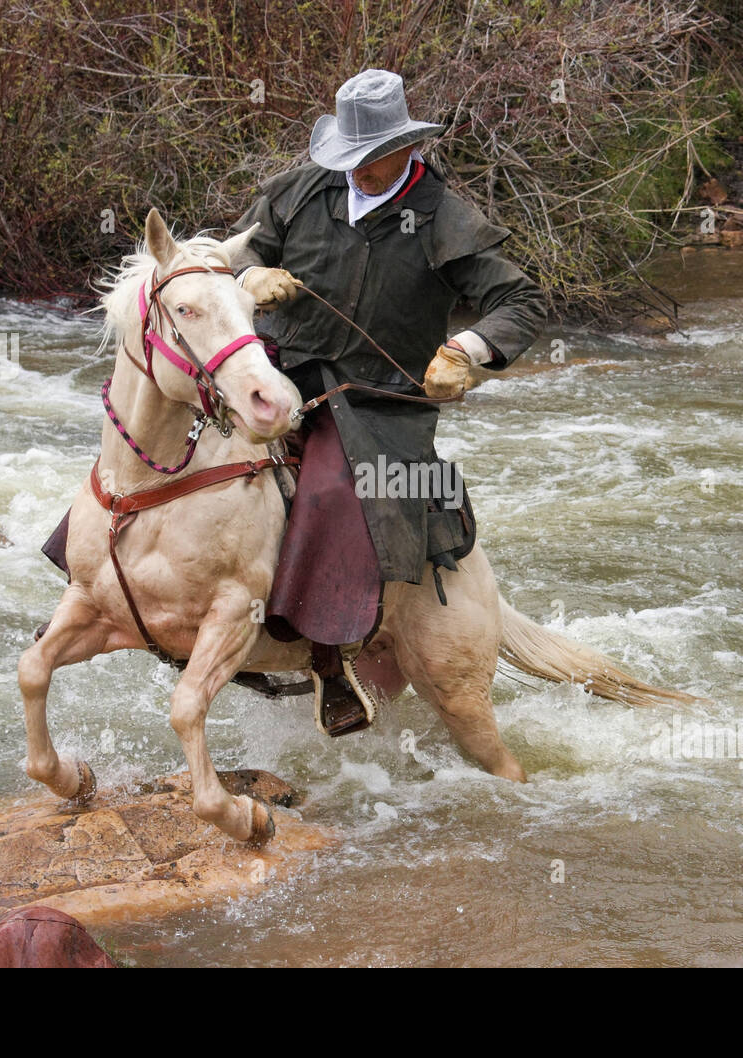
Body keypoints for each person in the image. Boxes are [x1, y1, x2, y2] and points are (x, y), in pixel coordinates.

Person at [230, 69, 549, 735]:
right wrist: (248, 275)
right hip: (276, 371)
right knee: (163, 426)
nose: (365, 172)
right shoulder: (295, 191)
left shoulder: (445, 219)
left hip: (377, 403)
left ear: (408, 147)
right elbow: (236, 255)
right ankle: (108, 593)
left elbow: (521, 301)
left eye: (377, 160)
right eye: (356, 160)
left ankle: (327, 660)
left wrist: (466, 351)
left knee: (329, 493)